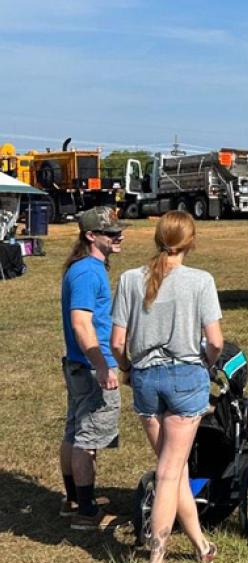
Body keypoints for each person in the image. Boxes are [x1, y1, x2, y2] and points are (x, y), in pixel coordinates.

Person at [111, 211, 222, 563]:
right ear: (190, 242)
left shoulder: (128, 280)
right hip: (185, 377)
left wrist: (127, 368)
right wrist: (207, 363)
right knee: (169, 472)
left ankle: (201, 545)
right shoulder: (200, 281)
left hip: (144, 378)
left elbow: (116, 343)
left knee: (174, 469)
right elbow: (217, 341)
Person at [59, 206, 125, 530]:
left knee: (74, 432)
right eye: (111, 233)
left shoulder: (85, 267)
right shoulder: (87, 272)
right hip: (89, 367)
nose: (119, 236)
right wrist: (102, 366)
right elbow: (81, 324)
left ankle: (73, 502)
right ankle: (86, 512)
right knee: (87, 439)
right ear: (90, 236)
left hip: (79, 365)